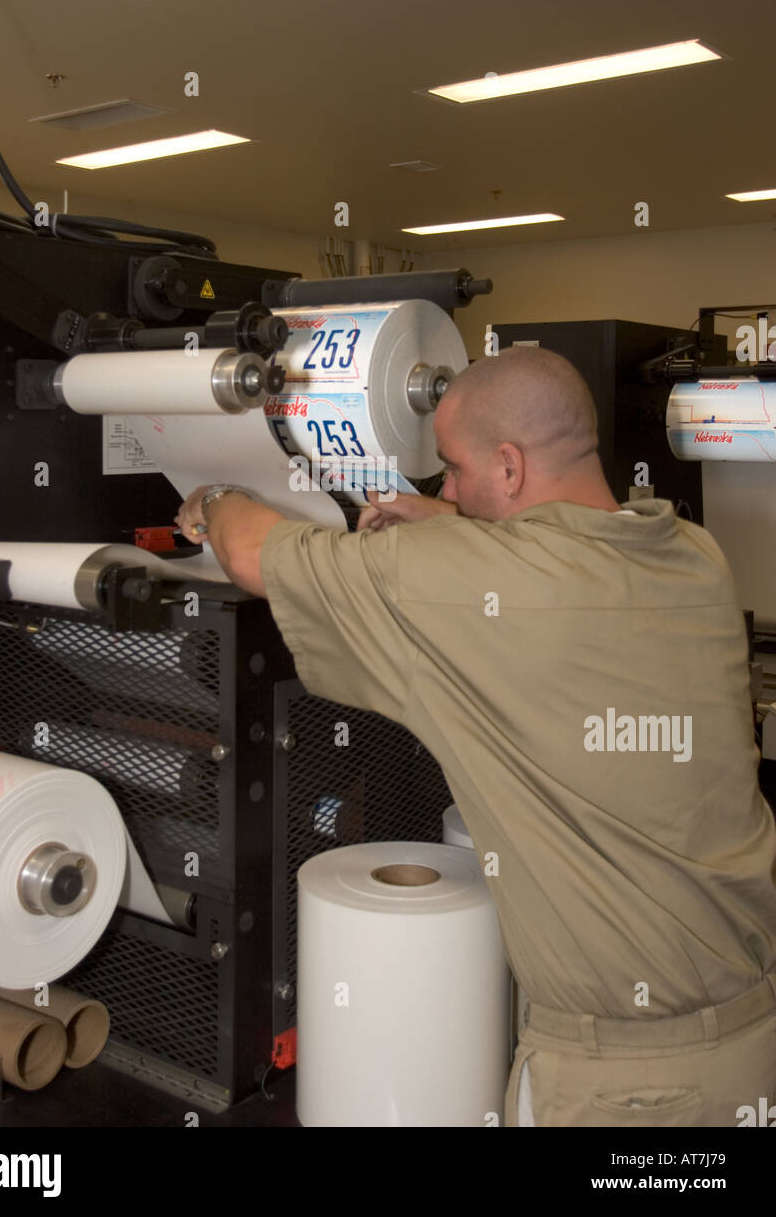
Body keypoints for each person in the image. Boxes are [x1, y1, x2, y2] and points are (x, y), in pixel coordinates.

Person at [175, 345, 776, 1127]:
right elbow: (561, 543)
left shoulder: (458, 589)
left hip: (628, 1092)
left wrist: (215, 495)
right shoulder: (694, 558)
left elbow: (252, 552)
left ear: (511, 466)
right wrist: (447, 519)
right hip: (750, 1042)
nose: (445, 487)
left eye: (453, 469)